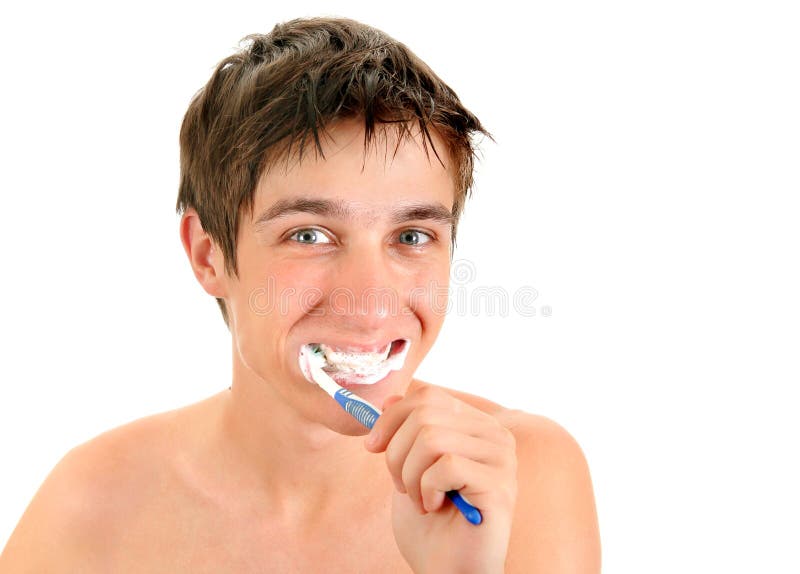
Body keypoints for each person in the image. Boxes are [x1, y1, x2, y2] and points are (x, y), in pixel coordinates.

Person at [0, 17, 600, 573]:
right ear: (209, 255)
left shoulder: (521, 477)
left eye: (412, 236)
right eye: (309, 235)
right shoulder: (90, 507)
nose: (371, 301)